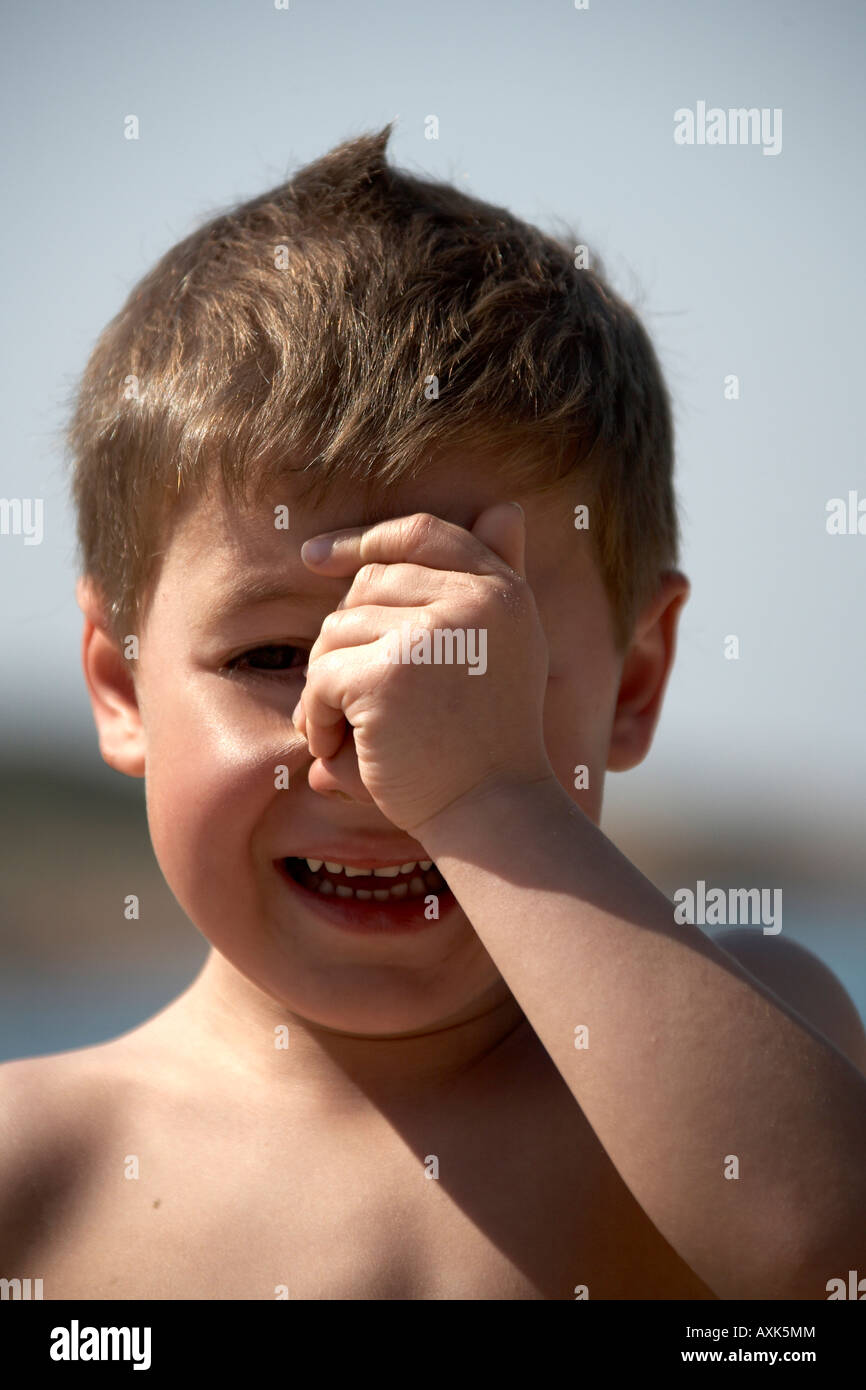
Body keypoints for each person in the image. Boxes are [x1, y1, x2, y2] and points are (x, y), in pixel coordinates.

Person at [2, 125, 865, 1300]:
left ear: (635, 681)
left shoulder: (756, 1036)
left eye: (470, 668)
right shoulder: (37, 1165)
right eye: (271, 654)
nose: (375, 747)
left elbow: (822, 1264)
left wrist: (489, 799)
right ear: (119, 684)